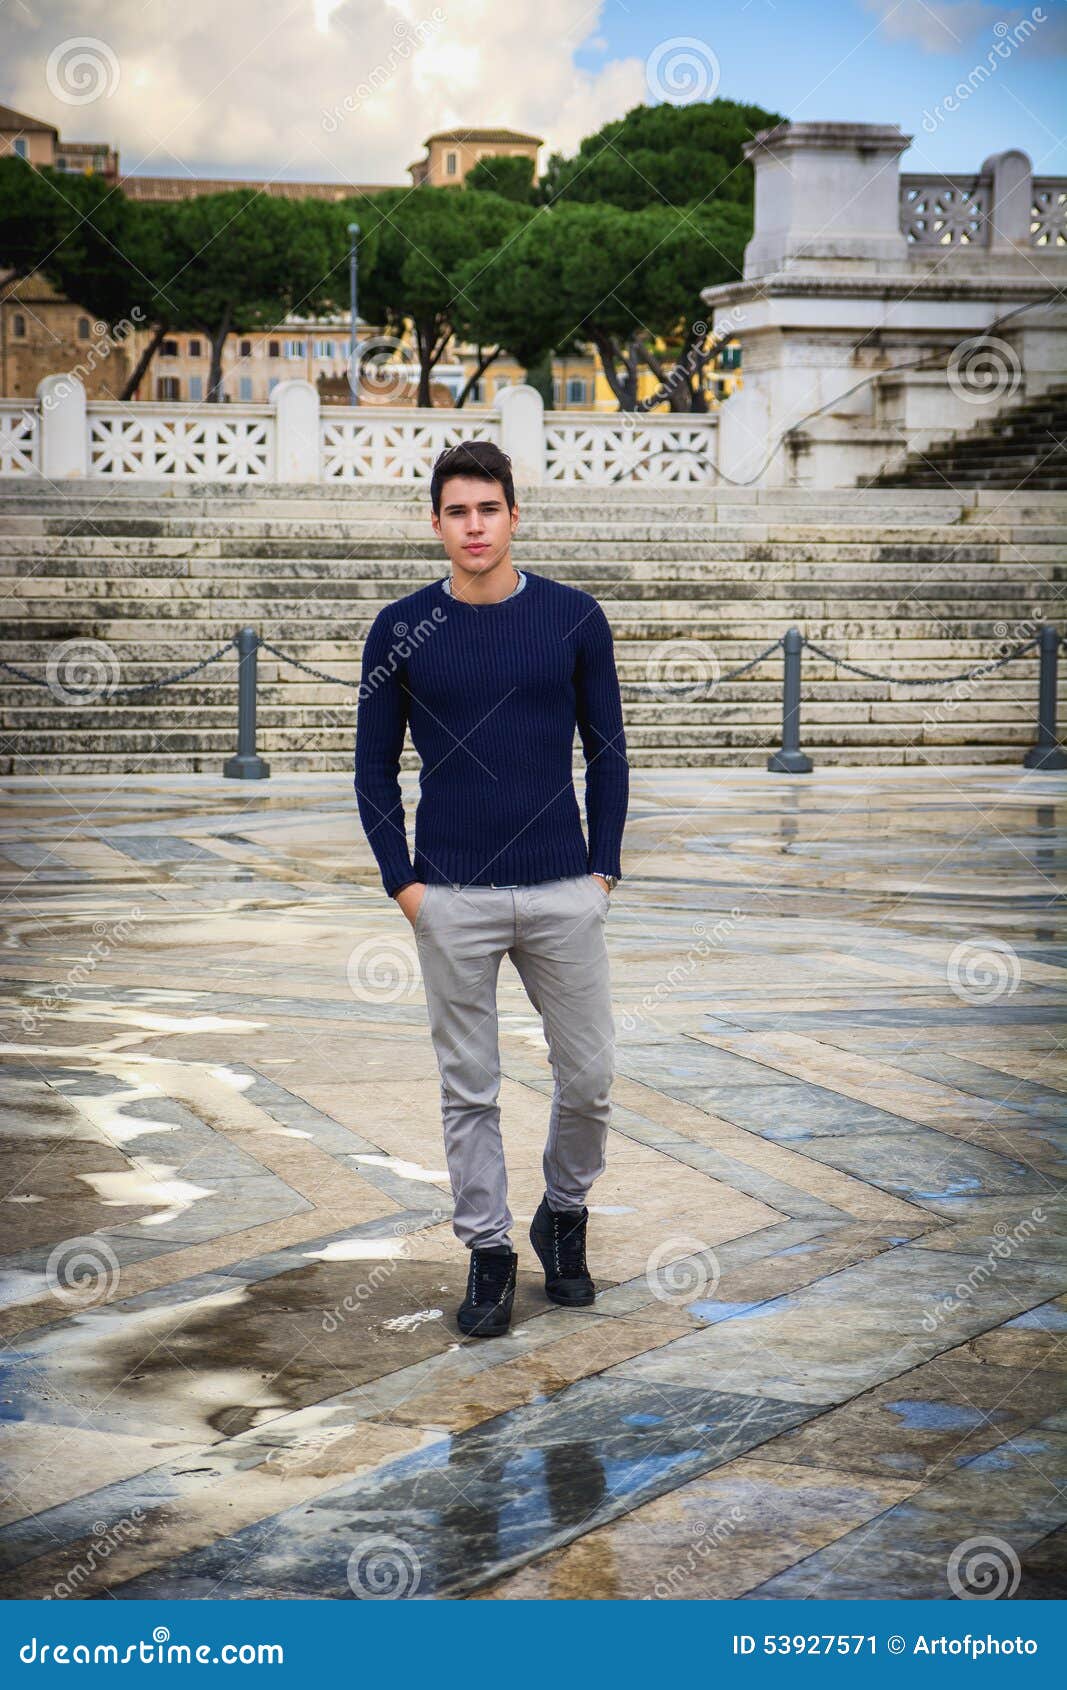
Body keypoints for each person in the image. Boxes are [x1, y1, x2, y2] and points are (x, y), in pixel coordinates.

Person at [354, 440, 629, 1337]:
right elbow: (370, 771)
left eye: (489, 509)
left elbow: (608, 750)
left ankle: (564, 1215)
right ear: (434, 523)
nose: (474, 526)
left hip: (562, 888)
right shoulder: (400, 629)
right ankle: (487, 1253)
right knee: (468, 1089)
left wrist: (603, 869)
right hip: (453, 896)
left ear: (514, 514)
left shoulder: (574, 618)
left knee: (587, 1077)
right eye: (457, 511)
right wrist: (406, 886)